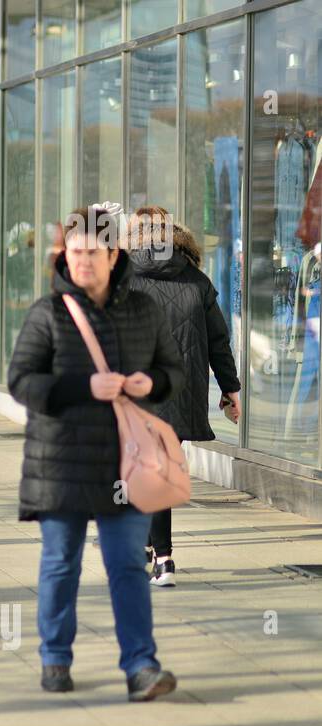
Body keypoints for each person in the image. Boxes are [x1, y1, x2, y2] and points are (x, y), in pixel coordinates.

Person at [7, 205, 185, 702]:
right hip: (60, 461)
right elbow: (20, 381)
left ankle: (141, 667)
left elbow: (174, 368)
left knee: (128, 565)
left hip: (125, 463)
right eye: (74, 252)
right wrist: (85, 386)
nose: (81, 261)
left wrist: (155, 382)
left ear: (114, 255)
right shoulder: (48, 313)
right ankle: (55, 657)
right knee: (61, 562)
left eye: (92, 252)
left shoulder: (144, 310)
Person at [125, 205, 242, 587]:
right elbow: (218, 341)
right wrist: (231, 388)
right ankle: (149, 549)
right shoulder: (197, 280)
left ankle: (163, 558)